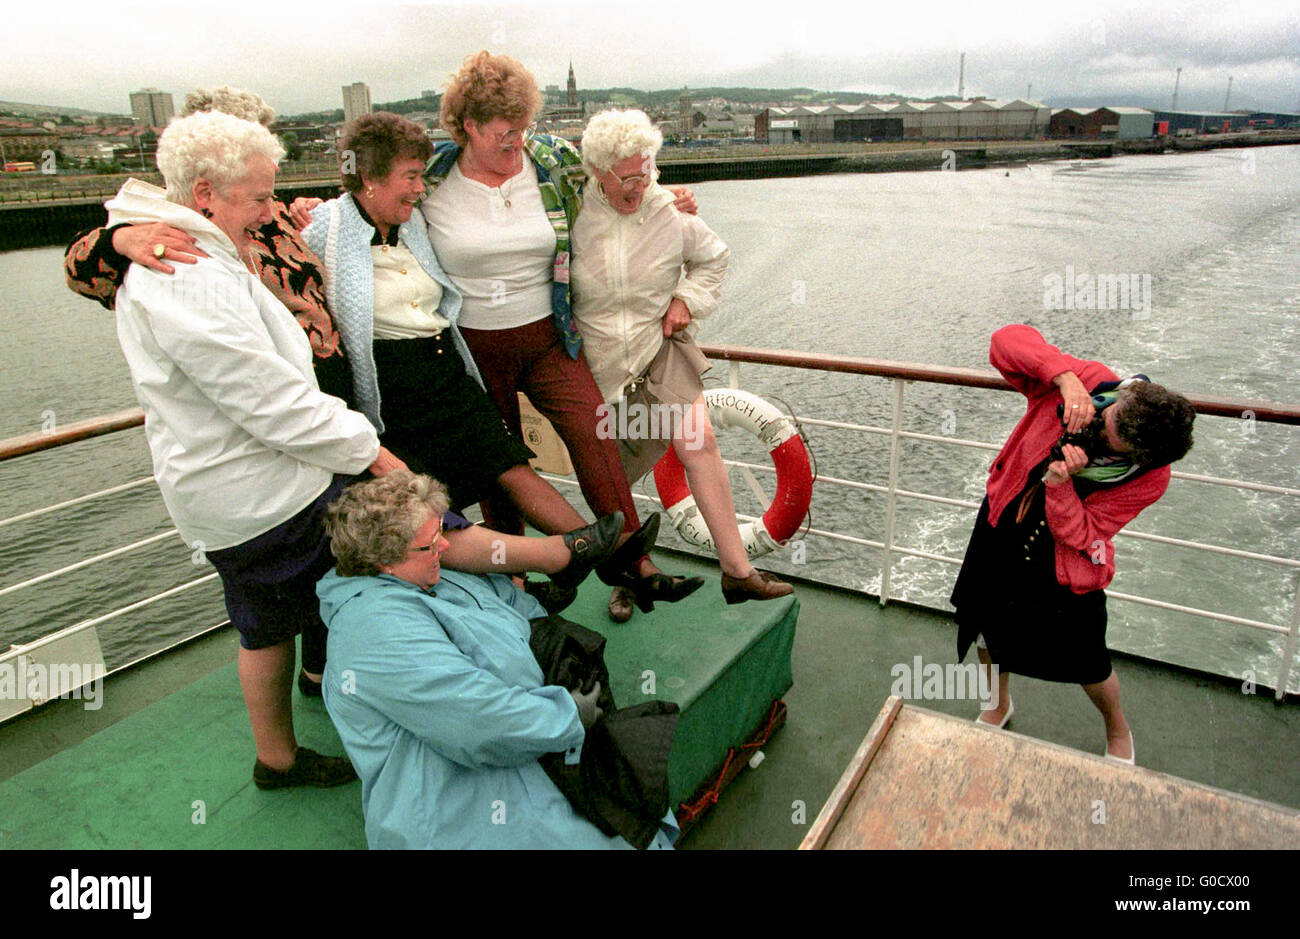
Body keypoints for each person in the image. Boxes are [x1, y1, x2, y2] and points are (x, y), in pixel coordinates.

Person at [66, 88, 629, 618]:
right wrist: (118, 240)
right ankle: (556, 565)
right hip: (315, 412)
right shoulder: (174, 245)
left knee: (398, 526)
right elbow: (84, 267)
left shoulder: (278, 217)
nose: (268, 184)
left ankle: (575, 562)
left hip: (326, 400)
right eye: (254, 157)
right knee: (402, 524)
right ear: (210, 174)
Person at [109, 109, 399, 789]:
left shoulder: (194, 247)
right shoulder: (183, 271)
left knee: (263, 624)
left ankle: (276, 758)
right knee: (401, 543)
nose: (272, 210)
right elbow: (266, 402)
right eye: (261, 196)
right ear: (205, 192)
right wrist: (373, 451)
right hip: (259, 491)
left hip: (232, 491)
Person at [300, 112, 650, 598]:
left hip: (444, 366)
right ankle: (557, 568)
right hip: (392, 389)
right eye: (410, 177)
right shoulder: (324, 229)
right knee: (431, 507)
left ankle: (601, 553)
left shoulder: (414, 222)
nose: (421, 189)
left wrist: (663, 197)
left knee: (507, 464)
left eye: (423, 175)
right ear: (370, 177)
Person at [421, 51, 703, 622]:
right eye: (505, 131)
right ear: (469, 126)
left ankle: (633, 565)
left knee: (594, 428)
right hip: (473, 349)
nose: (517, 140)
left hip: (550, 336)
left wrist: (665, 198)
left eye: (523, 126)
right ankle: (520, 585)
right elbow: (363, 204)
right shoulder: (431, 180)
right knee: (503, 470)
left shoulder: (550, 161)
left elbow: (617, 185)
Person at [318, 471, 677, 849]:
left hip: (526, 744)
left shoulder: (434, 575)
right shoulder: (373, 630)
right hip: (460, 805)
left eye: (441, 530)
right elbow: (473, 719)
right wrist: (567, 714)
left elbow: (515, 605)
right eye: (429, 543)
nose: (444, 545)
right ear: (383, 561)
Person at [572, 109, 794, 609]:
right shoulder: (572, 216)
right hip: (596, 363)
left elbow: (715, 256)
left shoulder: (668, 211)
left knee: (700, 443)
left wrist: (685, 301)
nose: (639, 185)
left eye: (647, 171)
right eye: (627, 176)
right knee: (613, 477)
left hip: (656, 354)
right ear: (598, 172)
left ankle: (738, 573)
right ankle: (628, 577)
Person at [952, 324, 1196, 765]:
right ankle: (998, 703)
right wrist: (1065, 378)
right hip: (1003, 522)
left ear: (1137, 455)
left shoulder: (1149, 478)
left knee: (1087, 658)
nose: (1099, 423)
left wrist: (1061, 485)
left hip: (1063, 559)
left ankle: (1117, 730)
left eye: (1112, 433)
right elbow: (1005, 340)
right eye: (1108, 414)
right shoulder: (1092, 384)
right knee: (988, 625)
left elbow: (1087, 534)